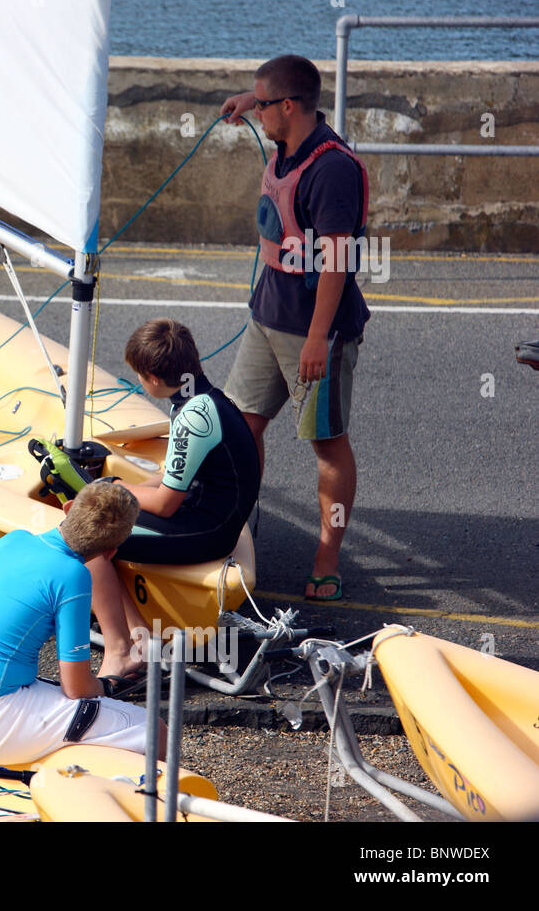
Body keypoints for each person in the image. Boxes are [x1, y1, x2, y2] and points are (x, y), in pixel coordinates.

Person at [219, 54, 370, 601]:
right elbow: (277, 93)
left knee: (326, 445)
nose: (253, 112)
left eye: (262, 104)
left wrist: (316, 338)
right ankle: (238, 533)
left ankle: (327, 558)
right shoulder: (288, 136)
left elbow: (336, 261)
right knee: (242, 428)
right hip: (268, 317)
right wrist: (244, 99)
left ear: (288, 107)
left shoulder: (332, 170)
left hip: (315, 331)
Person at [0, 481, 155, 766]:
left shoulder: (14, 539)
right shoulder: (74, 575)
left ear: (68, 507)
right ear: (111, 552)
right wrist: (106, 686)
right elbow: (76, 686)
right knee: (153, 730)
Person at [90, 319, 261, 678]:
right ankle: (142, 638)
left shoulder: (192, 418)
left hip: (207, 531)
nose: (138, 381)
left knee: (88, 542)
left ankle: (122, 650)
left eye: (138, 375)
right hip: (210, 513)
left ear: (152, 377)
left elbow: (166, 502)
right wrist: (120, 486)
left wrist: (113, 489)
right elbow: (170, 477)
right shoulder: (202, 398)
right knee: (106, 517)